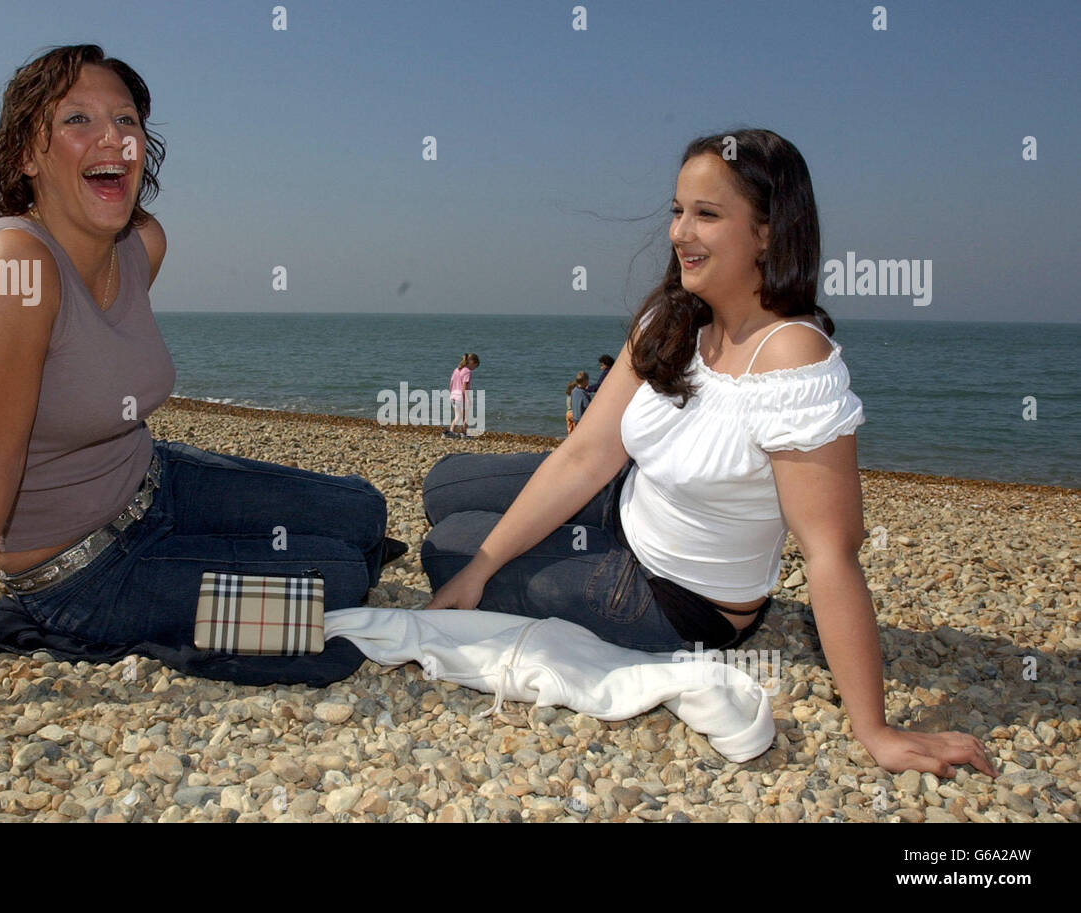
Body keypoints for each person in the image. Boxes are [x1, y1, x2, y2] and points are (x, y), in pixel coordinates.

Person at [0, 45, 394, 725]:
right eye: (77, 120)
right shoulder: (9, 273)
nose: (113, 138)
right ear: (25, 157)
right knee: (336, 587)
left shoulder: (142, 243)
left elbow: (95, 358)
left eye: (126, 121)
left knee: (363, 511)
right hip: (85, 573)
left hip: (157, 479)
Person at [420, 129, 996, 780]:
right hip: (628, 503)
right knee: (445, 486)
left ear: (768, 233)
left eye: (708, 214)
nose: (680, 232)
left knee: (448, 550)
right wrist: (493, 559)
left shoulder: (791, 359)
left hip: (677, 597)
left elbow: (831, 550)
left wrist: (876, 727)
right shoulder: (675, 317)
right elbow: (585, 456)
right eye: (678, 210)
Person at [443, 352, 479, 439]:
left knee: (457, 416)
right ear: (472, 362)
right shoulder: (467, 371)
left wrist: (451, 393)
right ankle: (463, 433)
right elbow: (464, 385)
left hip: (453, 395)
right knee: (466, 416)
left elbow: (451, 383)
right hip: (461, 395)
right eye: (475, 366)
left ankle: (451, 432)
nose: (474, 368)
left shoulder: (456, 370)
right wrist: (467, 398)